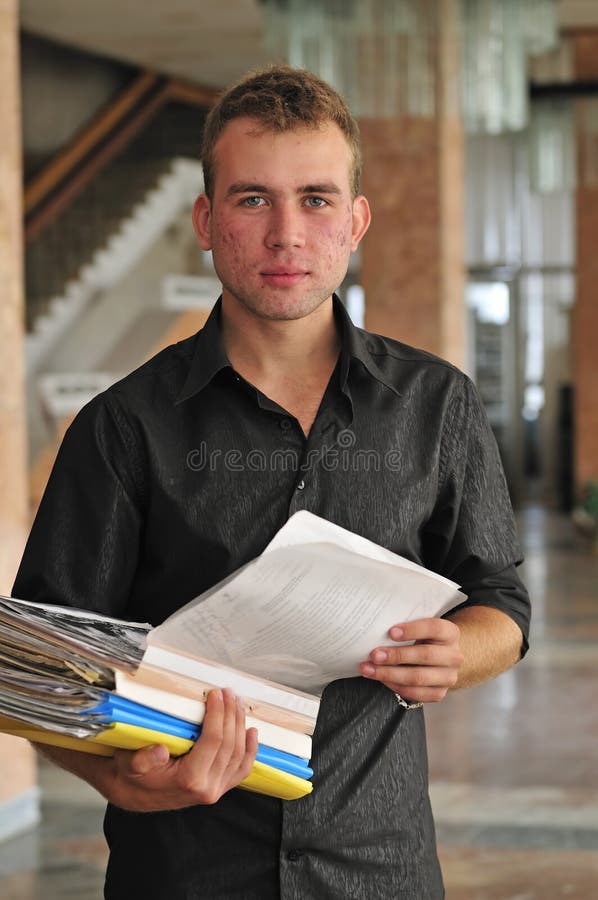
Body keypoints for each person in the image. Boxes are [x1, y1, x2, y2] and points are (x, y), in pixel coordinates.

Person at [13, 65, 530, 899]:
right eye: (253, 199)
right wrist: (120, 781)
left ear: (356, 220)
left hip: (380, 868)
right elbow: (42, 669)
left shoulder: (438, 406)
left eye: (317, 199)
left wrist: (459, 650)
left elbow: (501, 603)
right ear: (207, 221)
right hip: (181, 870)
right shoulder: (121, 428)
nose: (287, 233)